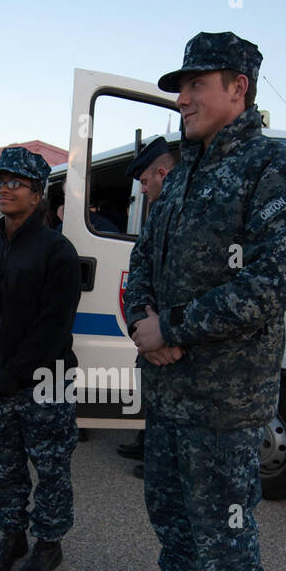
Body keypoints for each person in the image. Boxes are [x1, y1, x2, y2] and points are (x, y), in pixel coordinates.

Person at [113, 32, 286, 571]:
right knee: (167, 498)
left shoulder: (274, 171)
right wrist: (143, 320)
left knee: (226, 520)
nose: (181, 99)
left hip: (227, 393)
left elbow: (273, 282)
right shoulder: (185, 172)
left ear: (239, 87)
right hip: (168, 385)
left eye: (195, 85)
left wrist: (173, 330)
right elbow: (142, 257)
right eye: (181, 86)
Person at [0, 147, 81, 571]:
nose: (4, 189)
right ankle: (12, 536)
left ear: (37, 194)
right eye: (0, 181)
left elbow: (53, 326)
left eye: (16, 183)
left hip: (44, 383)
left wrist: (13, 373)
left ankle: (48, 542)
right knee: (4, 465)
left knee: (50, 467)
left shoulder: (57, 252)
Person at [117, 136, 179, 477]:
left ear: (162, 173)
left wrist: (169, 332)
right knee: (154, 401)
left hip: (181, 342)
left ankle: (160, 459)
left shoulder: (193, 206)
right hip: (156, 339)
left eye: (144, 182)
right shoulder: (157, 216)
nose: (141, 190)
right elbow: (138, 270)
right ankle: (152, 451)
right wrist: (143, 324)